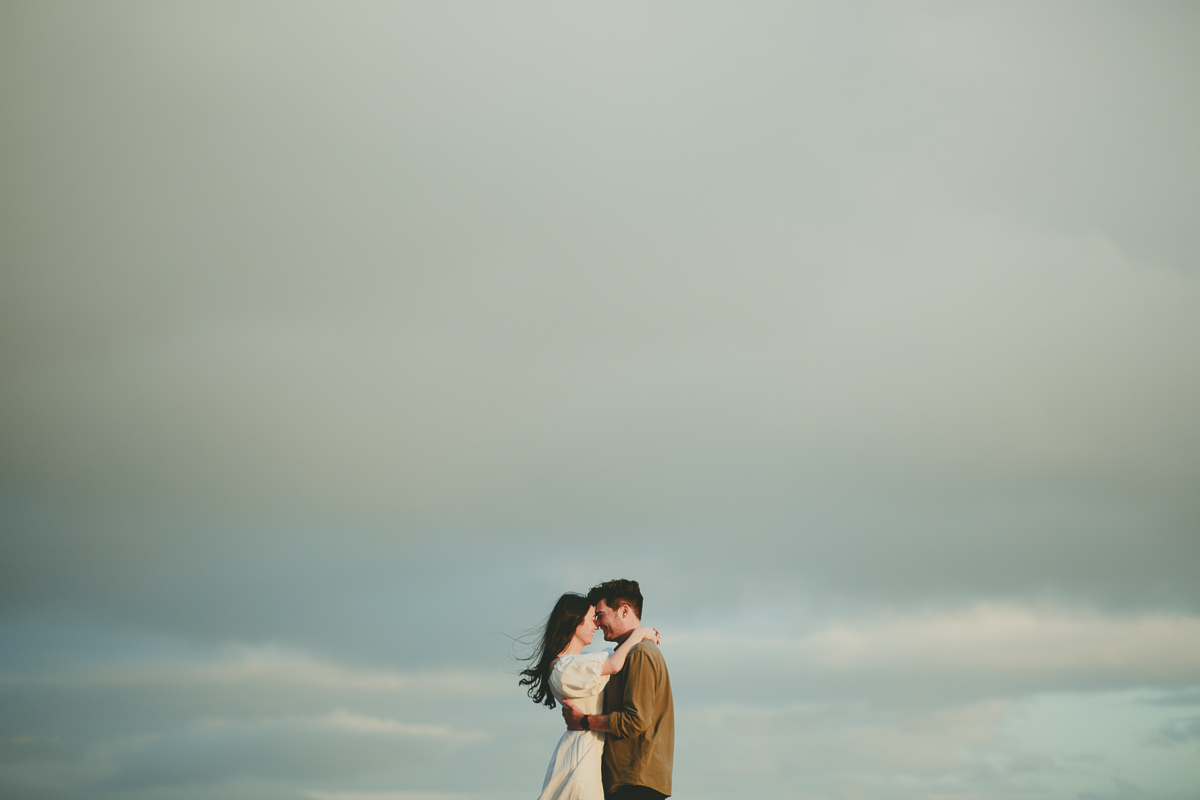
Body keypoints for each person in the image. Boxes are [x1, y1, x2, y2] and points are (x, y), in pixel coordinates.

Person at [521, 592, 661, 800]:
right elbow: (614, 665)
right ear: (575, 623)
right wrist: (639, 633)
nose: (596, 625)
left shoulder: (580, 662)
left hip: (590, 751)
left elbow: (612, 657)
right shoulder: (564, 667)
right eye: (591, 619)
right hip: (581, 755)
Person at [561, 579, 674, 800]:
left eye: (600, 615)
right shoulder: (626, 653)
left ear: (624, 611)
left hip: (634, 782)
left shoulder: (639, 653)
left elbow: (635, 720)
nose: (597, 623)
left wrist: (584, 721)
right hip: (631, 780)